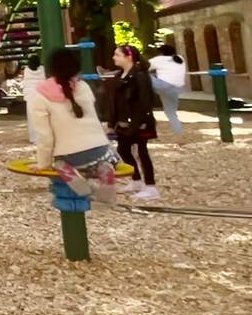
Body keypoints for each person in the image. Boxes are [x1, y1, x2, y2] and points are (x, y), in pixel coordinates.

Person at [27, 48, 118, 204]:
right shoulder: (83, 87)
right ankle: (105, 166)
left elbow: (45, 136)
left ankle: (82, 187)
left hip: (72, 157)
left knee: (59, 164)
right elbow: (94, 119)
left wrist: (43, 163)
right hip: (101, 150)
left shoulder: (41, 96)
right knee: (104, 160)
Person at [110, 45, 159, 199]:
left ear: (128, 57)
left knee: (142, 152)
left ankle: (151, 186)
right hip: (124, 121)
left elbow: (144, 101)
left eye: (117, 55)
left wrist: (137, 123)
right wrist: (112, 123)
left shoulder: (140, 76)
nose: (114, 57)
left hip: (139, 121)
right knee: (123, 150)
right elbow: (115, 102)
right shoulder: (119, 75)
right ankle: (136, 179)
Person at [147, 43, 187, 137]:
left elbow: (143, 66)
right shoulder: (180, 58)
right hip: (176, 89)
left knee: (141, 74)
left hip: (163, 86)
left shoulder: (158, 59)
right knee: (171, 112)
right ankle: (179, 133)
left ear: (161, 53)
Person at [20, 54, 45, 143]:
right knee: (42, 116)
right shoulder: (43, 70)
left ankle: (34, 138)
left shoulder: (26, 70)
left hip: (30, 95)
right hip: (41, 94)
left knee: (31, 117)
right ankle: (43, 136)